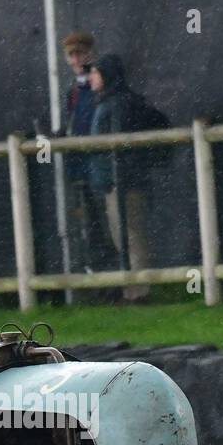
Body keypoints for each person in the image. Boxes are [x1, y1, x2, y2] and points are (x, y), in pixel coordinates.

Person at [87, 54, 151, 302]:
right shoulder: (107, 102)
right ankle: (132, 288)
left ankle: (139, 291)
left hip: (124, 182)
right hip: (113, 181)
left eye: (96, 72)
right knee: (122, 236)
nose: (91, 77)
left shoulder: (118, 103)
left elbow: (118, 146)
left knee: (132, 235)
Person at [60, 30, 116, 272]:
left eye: (79, 53)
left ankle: (115, 280)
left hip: (100, 166)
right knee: (90, 228)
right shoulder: (73, 90)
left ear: (90, 53)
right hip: (80, 167)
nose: (75, 60)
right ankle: (101, 279)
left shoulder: (101, 84)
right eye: (71, 55)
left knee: (109, 226)